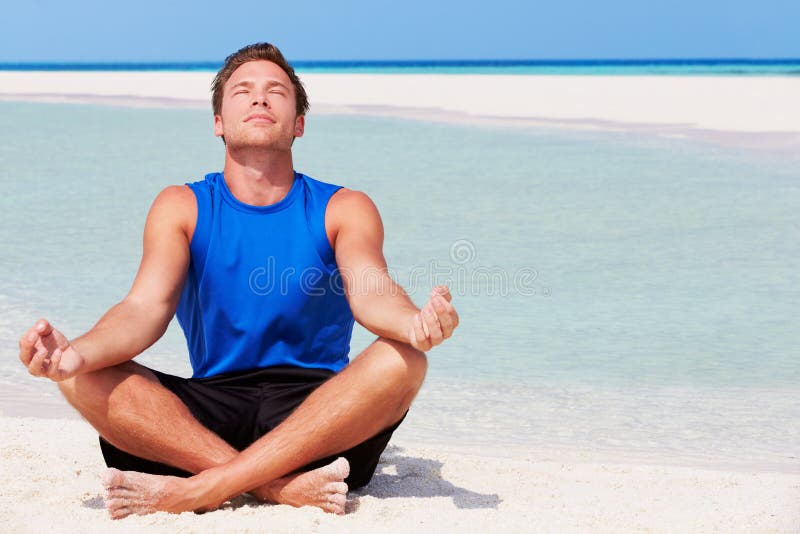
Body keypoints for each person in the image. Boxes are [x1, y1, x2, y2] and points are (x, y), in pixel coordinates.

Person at [17, 42, 459, 519]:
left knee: (405, 359)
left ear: (300, 123)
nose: (260, 99)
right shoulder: (181, 205)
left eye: (277, 92)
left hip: (315, 413)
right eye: (243, 91)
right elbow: (142, 309)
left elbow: (373, 290)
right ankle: (277, 487)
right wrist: (76, 353)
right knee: (81, 376)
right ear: (218, 123)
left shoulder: (342, 207)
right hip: (209, 411)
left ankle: (203, 487)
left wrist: (413, 322)